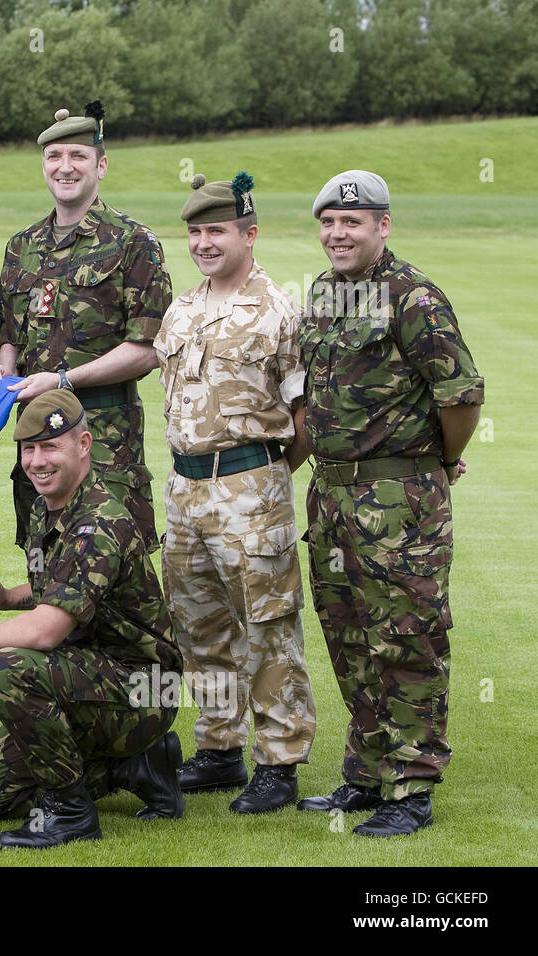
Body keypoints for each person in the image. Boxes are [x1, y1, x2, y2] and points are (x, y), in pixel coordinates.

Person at [296, 170, 484, 836]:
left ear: (383, 225)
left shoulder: (414, 298)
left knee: (406, 638)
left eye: (352, 221)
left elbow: (459, 397)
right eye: (328, 222)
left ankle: (411, 786)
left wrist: (440, 459)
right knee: (349, 637)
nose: (337, 233)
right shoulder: (323, 294)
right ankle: (369, 775)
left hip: (399, 503)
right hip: (332, 497)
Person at [0, 390, 185, 849]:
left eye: (51, 446)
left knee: (10, 667)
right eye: (29, 448)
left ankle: (71, 812)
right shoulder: (46, 507)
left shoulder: (100, 521)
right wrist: (4, 598)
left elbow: (46, 629)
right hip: (85, 676)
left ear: (84, 445)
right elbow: (54, 591)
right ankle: (136, 764)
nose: (37, 461)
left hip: (143, 686)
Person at [153, 172, 315, 814]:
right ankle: (219, 750)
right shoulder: (183, 308)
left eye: (216, 231)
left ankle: (280, 761)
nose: (204, 243)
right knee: (200, 631)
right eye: (195, 232)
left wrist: (264, 475)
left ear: (249, 233)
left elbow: (303, 418)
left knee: (268, 628)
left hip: (251, 485)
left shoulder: (280, 309)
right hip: (185, 488)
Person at [0, 103, 172, 553]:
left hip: (105, 443)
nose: (65, 167)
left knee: (111, 576)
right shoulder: (21, 246)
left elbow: (149, 348)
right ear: (44, 165)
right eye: (55, 156)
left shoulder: (133, 242)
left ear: (101, 165)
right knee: (44, 569)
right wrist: (5, 370)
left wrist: (63, 380)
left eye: (78, 156)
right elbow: (9, 336)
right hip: (38, 444)